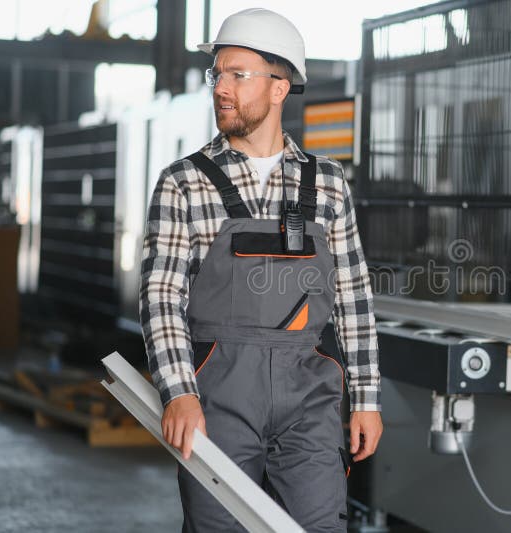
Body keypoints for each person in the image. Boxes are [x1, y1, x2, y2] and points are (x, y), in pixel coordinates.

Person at [139, 8, 382, 532]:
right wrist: (179, 392)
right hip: (218, 393)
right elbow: (160, 295)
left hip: (309, 393)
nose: (220, 88)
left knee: (318, 525)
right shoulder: (184, 183)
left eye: (237, 74)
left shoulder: (328, 183)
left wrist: (365, 398)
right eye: (217, 73)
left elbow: (353, 296)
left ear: (280, 87)